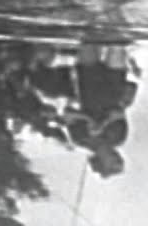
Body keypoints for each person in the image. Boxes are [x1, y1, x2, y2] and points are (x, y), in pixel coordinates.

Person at [29, 41, 139, 179]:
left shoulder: (80, 139)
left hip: (88, 91)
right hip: (114, 90)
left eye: (114, 161)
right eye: (120, 160)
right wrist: (102, 123)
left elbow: (68, 113)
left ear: (101, 162)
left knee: (89, 43)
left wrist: (87, 119)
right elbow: (119, 114)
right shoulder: (119, 138)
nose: (117, 157)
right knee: (117, 45)